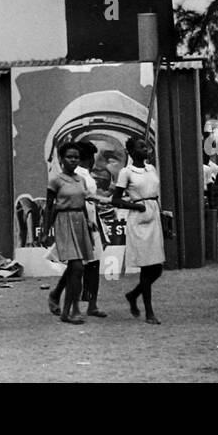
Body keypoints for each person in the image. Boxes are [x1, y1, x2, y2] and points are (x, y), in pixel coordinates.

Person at [46, 139, 107, 317]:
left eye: (77, 157)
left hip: (87, 220)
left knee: (85, 264)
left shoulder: (83, 176)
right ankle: (73, 304)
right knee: (79, 266)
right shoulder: (77, 176)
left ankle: (86, 304)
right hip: (74, 222)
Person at [112, 135, 165, 325]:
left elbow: (154, 191)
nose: (145, 149)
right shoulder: (126, 172)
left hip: (154, 215)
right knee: (146, 266)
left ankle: (133, 295)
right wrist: (136, 206)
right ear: (131, 151)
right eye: (141, 147)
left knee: (157, 268)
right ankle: (149, 311)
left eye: (146, 146)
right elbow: (115, 200)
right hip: (139, 217)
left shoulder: (151, 168)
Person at [41, 141, 93, 325]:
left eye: (76, 157)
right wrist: (45, 231)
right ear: (62, 159)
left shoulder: (81, 179)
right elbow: (49, 207)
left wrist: (88, 220)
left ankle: (65, 306)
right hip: (64, 221)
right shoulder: (56, 180)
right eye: (69, 157)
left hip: (80, 222)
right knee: (77, 267)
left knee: (76, 267)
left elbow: (84, 202)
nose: (73, 160)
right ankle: (71, 309)